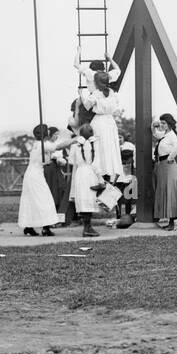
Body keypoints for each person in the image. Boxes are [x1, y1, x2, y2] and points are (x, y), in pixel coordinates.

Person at [75, 51, 124, 181]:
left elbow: (86, 106)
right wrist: (110, 58)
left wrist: (81, 94)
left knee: (98, 148)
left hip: (98, 121)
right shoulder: (112, 91)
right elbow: (118, 70)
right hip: (110, 121)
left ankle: (98, 174)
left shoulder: (95, 92)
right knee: (110, 147)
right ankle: (110, 174)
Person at [18, 123, 62, 236]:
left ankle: (29, 227)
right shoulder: (43, 145)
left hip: (32, 174)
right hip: (35, 175)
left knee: (31, 200)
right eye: (47, 130)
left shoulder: (38, 144)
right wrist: (73, 140)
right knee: (44, 199)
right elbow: (57, 147)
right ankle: (45, 228)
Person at [153, 114, 177, 230]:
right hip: (163, 166)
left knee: (171, 192)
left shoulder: (171, 135)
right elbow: (156, 134)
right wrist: (154, 126)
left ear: (169, 124)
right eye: (161, 123)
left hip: (168, 165)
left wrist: (170, 157)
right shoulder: (165, 135)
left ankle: (173, 222)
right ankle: (170, 221)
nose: (162, 125)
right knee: (165, 191)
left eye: (164, 123)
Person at [69, 123, 102, 237]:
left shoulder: (75, 145)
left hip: (80, 173)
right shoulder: (95, 145)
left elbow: (71, 161)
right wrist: (100, 179)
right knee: (90, 198)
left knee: (83, 199)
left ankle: (86, 227)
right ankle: (88, 227)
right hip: (91, 173)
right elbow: (96, 164)